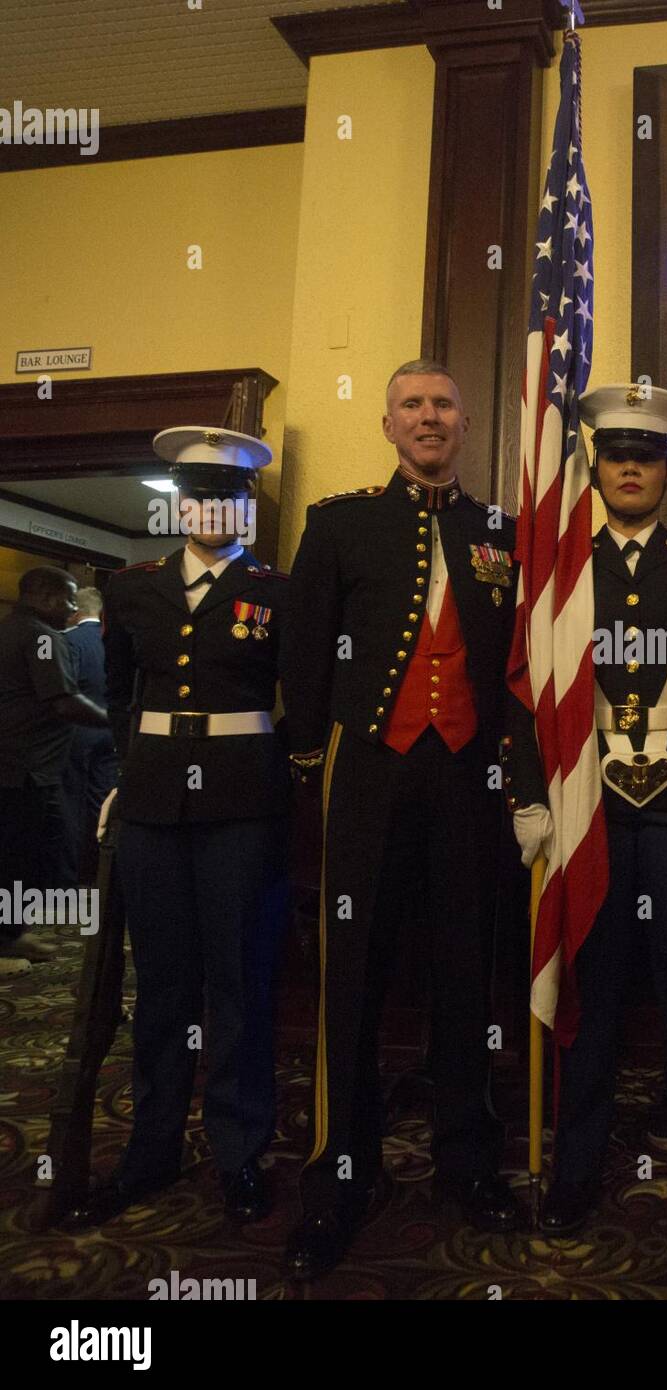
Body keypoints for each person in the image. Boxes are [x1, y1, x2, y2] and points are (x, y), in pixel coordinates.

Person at [504, 383, 667, 1235]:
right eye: (616, 454)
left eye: (648, 457)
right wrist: (523, 793)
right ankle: (575, 1165)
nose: (630, 469)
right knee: (590, 979)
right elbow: (521, 683)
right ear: (593, 461)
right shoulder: (558, 561)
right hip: (582, 795)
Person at [280, 359, 521, 1281]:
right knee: (356, 974)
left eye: (443, 405)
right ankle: (341, 1174)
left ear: (464, 423)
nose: (428, 418)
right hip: (370, 776)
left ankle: (469, 1163)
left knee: (469, 972)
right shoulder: (341, 525)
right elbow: (303, 651)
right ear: (388, 426)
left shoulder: (500, 531)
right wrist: (311, 760)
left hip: (469, 782)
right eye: (412, 406)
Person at [76, 427, 290, 1227]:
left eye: (228, 496)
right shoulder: (132, 589)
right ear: (177, 505)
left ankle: (240, 1152)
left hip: (242, 804)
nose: (211, 509)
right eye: (196, 496)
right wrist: (125, 783)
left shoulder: (279, 593)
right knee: (161, 986)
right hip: (155, 805)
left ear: (246, 508)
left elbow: (294, 697)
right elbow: (126, 699)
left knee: (240, 983)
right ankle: (151, 1149)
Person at [0, 566, 108, 975]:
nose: (70, 607)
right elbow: (63, 700)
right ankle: (3, 943)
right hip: (23, 769)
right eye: (66, 598)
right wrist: (116, 721)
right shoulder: (41, 638)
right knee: (12, 858)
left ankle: (11, 932)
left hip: (17, 766)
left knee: (17, 857)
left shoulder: (10, 629)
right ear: (44, 597)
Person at [59, 587, 119, 885]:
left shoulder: (68, 641)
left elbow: (63, 692)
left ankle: (70, 874)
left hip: (77, 731)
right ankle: (98, 870)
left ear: (75, 612)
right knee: (101, 799)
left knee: (70, 802)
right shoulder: (114, 641)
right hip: (111, 731)